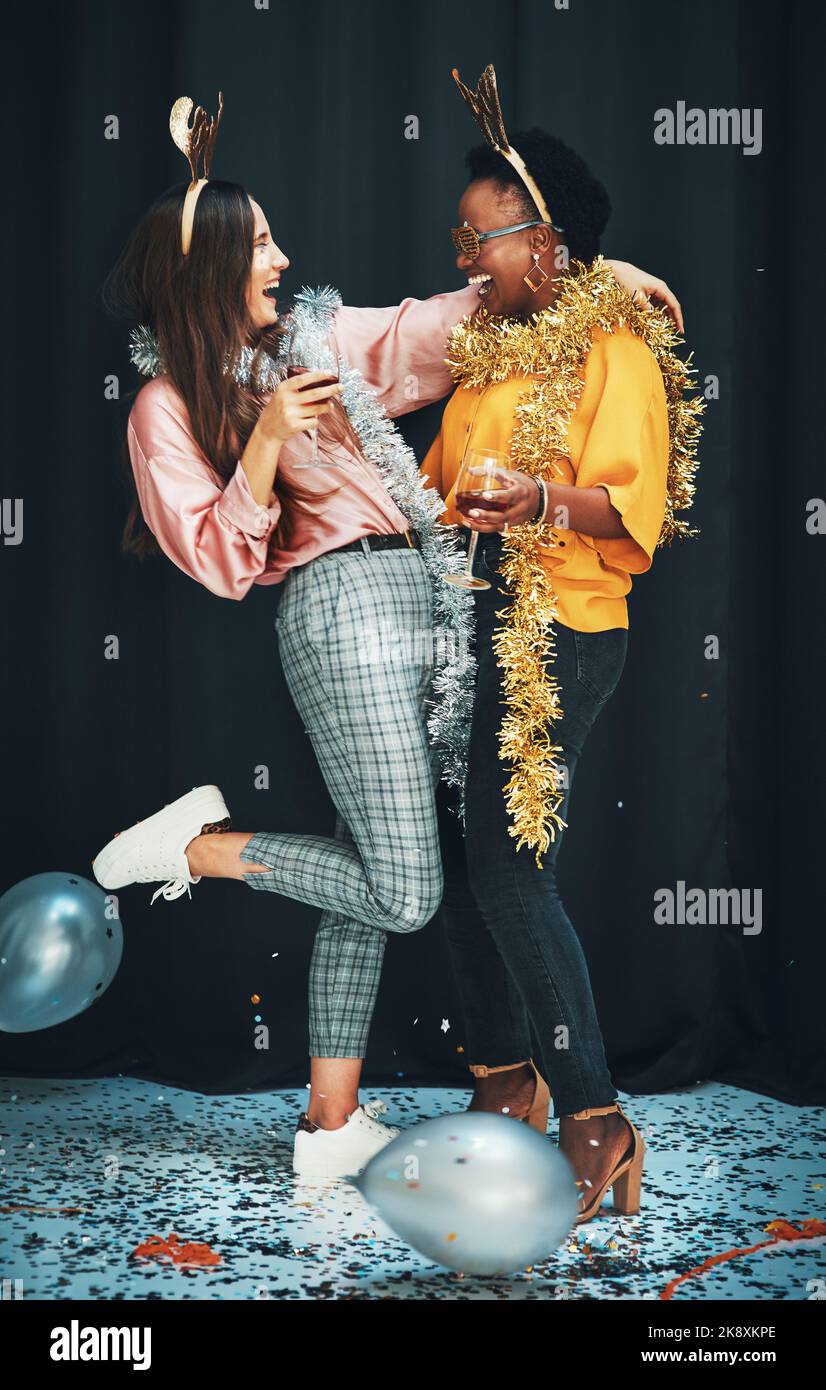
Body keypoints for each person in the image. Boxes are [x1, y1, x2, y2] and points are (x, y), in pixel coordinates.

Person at [95, 91, 686, 1181]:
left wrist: (596, 277)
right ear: (210, 263)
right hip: (340, 610)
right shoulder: (166, 407)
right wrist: (268, 441)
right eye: (261, 241)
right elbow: (219, 559)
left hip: (432, 600)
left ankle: (328, 1126)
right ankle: (196, 849)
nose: (280, 256)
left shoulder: (317, 340)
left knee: (394, 861)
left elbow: (445, 320)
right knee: (408, 887)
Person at [421, 68, 703, 1222]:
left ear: (547, 245)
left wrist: (539, 496)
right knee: (456, 869)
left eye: (482, 236)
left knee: (507, 869)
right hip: (469, 624)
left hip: (562, 631)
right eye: (463, 236)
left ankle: (598, 1117)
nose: (466, 256)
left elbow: (631, 512)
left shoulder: (614, 350)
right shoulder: (486, 356)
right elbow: (439, 489)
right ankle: (506, 1084)